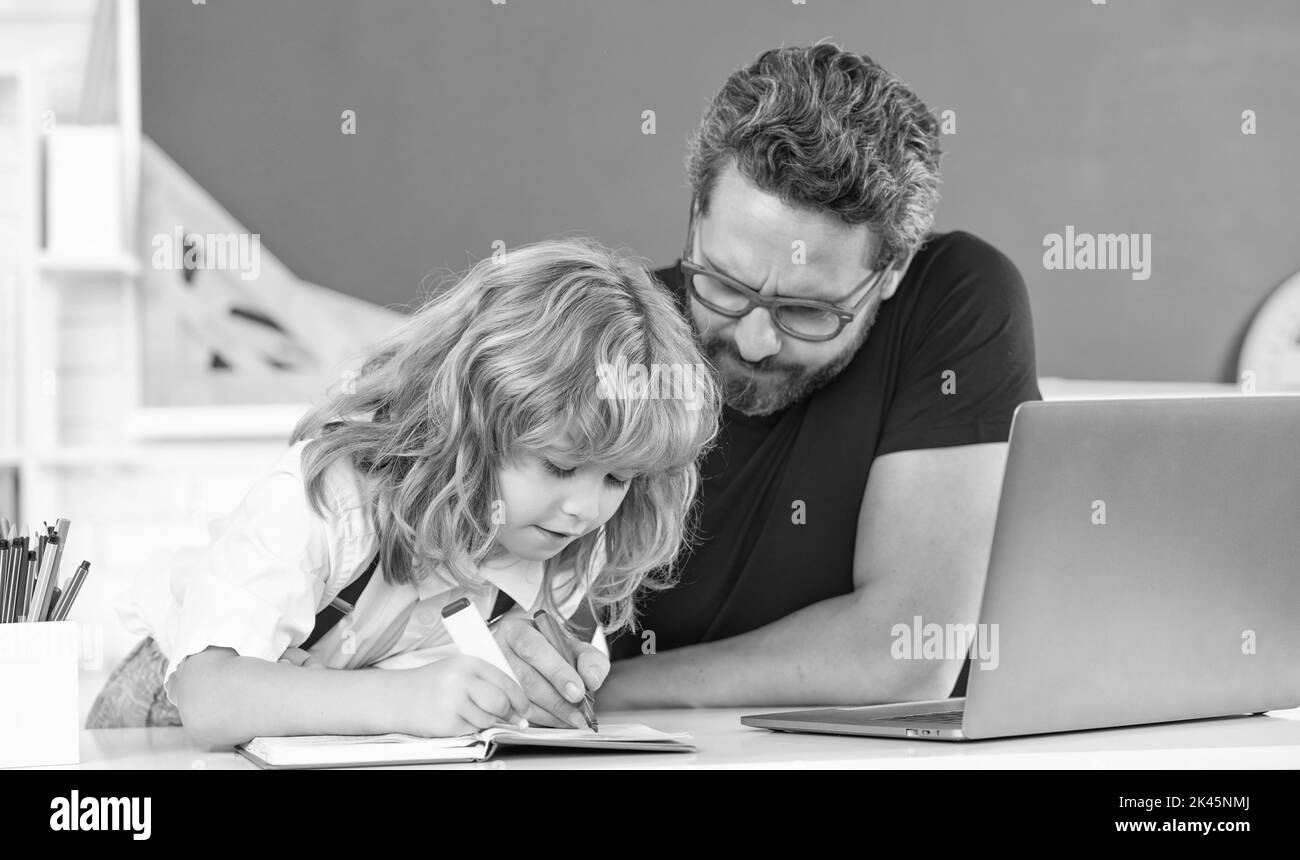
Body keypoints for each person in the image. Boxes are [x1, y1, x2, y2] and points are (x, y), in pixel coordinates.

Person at [86, 237, 720, 744]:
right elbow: (209, 695)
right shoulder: (335, 493)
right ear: (473, 421)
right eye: (557, 466)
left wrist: (530, 685)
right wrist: (412, 699)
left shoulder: (560, 538)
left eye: (617, 478)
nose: (585, 508)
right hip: (153, 738)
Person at [600, 43, 1042, 708]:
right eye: (722, 283)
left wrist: (618, 689)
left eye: (806, 310)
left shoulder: (955, 297)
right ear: (696, 219)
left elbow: (905, 652)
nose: (753, 341)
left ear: (891, 272)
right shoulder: (610, 333)